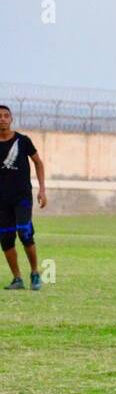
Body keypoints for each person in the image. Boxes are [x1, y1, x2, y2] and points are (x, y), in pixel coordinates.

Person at [0, 105, 47, 290]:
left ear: (11, 119)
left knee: (24, 232)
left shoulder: (23, 141)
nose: (2, 119)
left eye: (6, 116)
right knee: (5, 239)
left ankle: (35, 273)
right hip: (2, 201)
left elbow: (38, 163)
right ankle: (17, 279)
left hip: (22, 197)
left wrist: (42, 189)